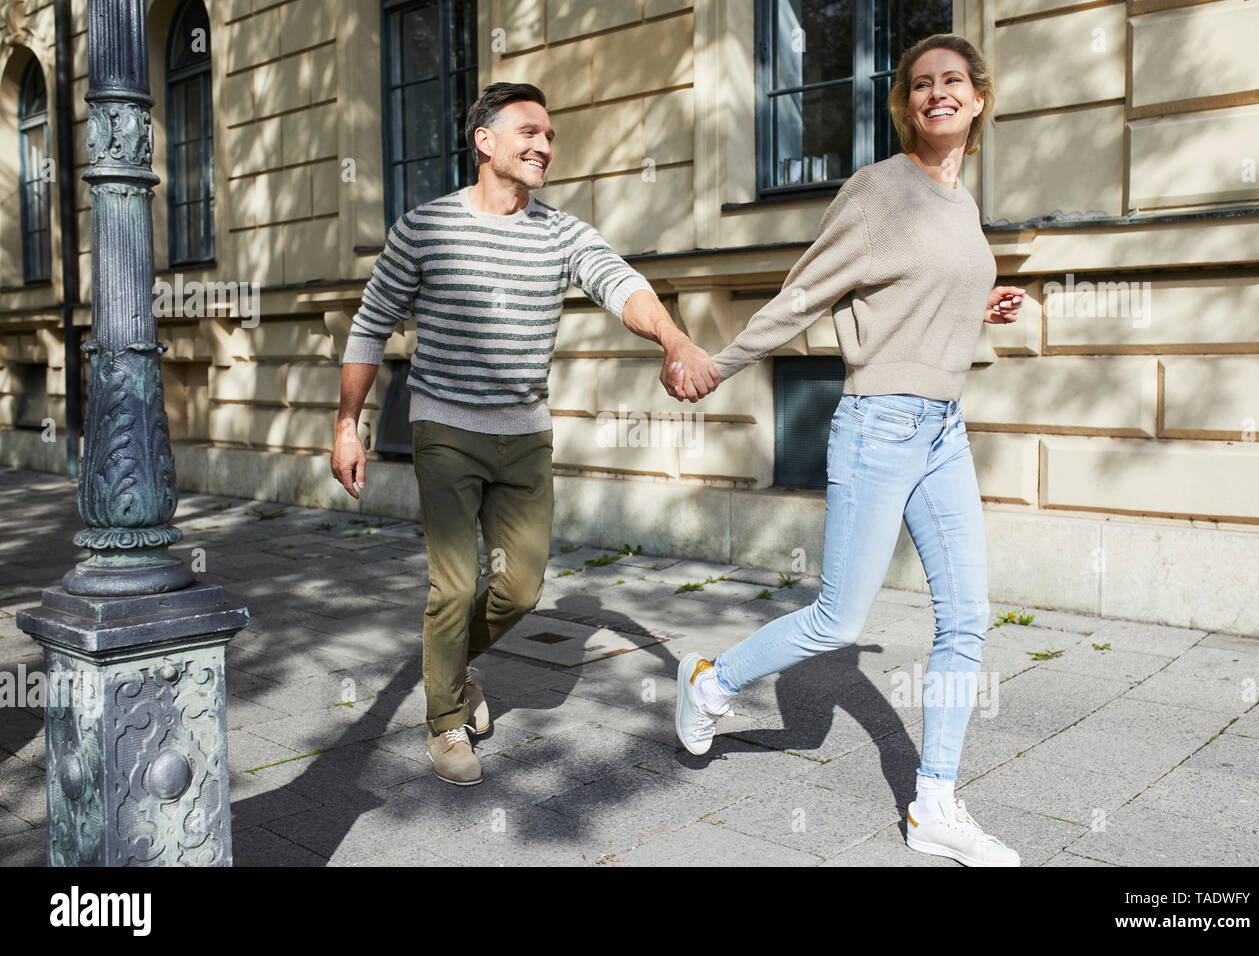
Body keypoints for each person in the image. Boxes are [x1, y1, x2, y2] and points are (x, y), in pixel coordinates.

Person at [672, 35, 1026, 866]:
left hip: (944, 428)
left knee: (968, 617)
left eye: (953, 82)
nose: (937, 93)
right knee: (842, 618)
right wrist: (719, 365)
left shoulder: (963, 203)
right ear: (906, 104)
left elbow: (916, 298)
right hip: (880, 427)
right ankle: (711, 684)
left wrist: (985, 304)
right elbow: (804, 294)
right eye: (920, 84)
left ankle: (934, 802)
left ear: (977, 99)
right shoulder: (878, 190)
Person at [331, 82, 718, 786]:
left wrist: (672, 338)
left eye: (549, 136)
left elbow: (619, 282)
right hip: (445, 427)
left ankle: (450, 668)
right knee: (452, 589)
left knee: (519, 590)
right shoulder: (425, 228)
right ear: (485, 141)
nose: (543, 146)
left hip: (525, 435)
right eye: (529, 133)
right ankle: (446, 721)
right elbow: (369, 324)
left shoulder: (562, 232)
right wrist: (346, 426)